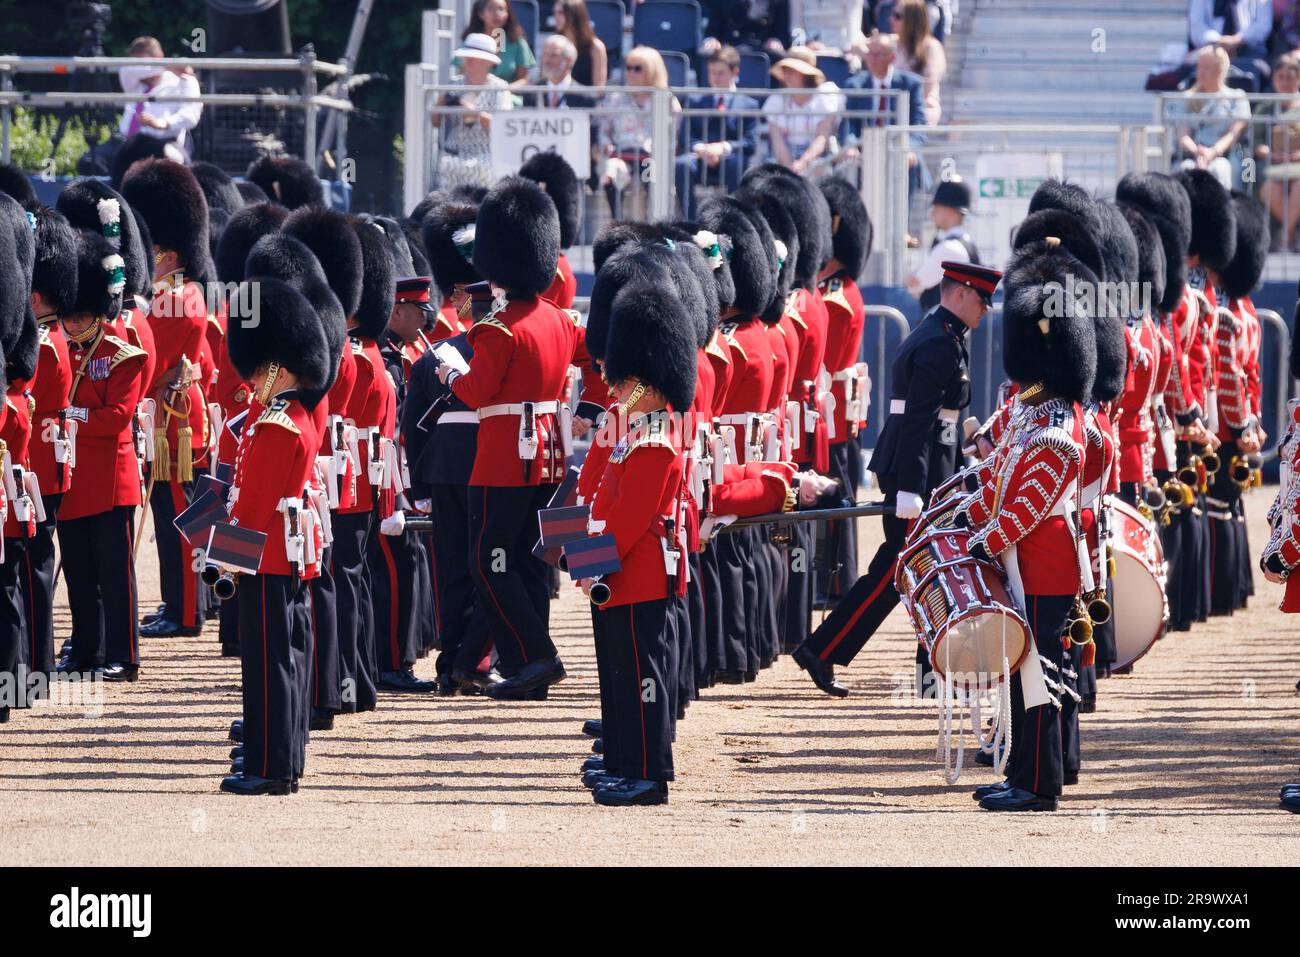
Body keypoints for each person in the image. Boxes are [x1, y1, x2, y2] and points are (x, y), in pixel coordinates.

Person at [791, 261, 1001, 696]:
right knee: (895, 572)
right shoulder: (938, 345)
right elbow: (917, 423)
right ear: (960, 293)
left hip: (931, 473)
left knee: (927, 569)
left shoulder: (944, 338)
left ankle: (927, 671)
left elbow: (941, 420)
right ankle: (825, 650)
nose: (984, 311)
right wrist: (911, 487)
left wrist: (965, 447)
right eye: (981, 300)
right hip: (917, 477)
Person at [965, 218, 1098, 814]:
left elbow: (1026, 509)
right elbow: (999, 482)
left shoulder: (1058, 431)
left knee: (1040, 678)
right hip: (1028, 565)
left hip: (1044, 568)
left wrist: (986, 539)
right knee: (1025, 676)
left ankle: (1038, 785)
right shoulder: (1031, 414)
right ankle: (1024, 772)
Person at [437, 177, 580, 699]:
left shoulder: (497, 328)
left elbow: (476, 393)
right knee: (525, 559)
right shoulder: (559, 320)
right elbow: (592, 361)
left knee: (487, 560)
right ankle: (528, 668)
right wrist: (584, 408)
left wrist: (449, 372)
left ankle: (537, 656)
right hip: (548, 454)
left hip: (502, 458)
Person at [577, 281, 695, 807]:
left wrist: (587, 563)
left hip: (637, 572)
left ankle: (649, 774)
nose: (617, 389)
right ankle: (625, 762)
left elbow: (627, 520)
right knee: (620, 677)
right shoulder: (634, 433)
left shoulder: (655, 442)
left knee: (642, 678)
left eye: (626, 381)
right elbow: (602, 498)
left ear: (649, 382)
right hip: (617, 571)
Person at [217, 278, 330, 797]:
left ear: (279, 369)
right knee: (281, 658)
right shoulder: (289, 416)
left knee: (266, 666)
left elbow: (255, 508)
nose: (253, 379)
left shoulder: (279, 423)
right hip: (283, 553)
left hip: (266, 556)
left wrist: (224, 559)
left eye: (260, 369)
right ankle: (281, 758)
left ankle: (270, 767)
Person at [119, 159, 215, 640]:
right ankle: (179, 604)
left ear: (169, 254)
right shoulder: (174, 294)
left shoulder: (174, 298)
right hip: (171, 413)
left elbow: (151, 363)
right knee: (175, 512)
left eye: (152, 251)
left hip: (172, 420)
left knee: (180, 515)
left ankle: (186, 611)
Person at [55, 229, 148, 683]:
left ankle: (124, 656)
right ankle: (85, 651)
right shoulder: (63, 351)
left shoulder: (123, 356)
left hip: (111, 481)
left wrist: (70, 412)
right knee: (78, 573)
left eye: (78, 317)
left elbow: (115, 418)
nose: (70, 324)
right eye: (67, 316)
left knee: (115, 577)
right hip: (73, 478)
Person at [676, 45, 760, 219]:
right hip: (700, 157)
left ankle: (733, 219)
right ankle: (691, 221)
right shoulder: (695, 101)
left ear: (734, 72)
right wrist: (703, 149)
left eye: (720, 72)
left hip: (731, 159)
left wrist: (722, 148)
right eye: (711, 72)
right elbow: (686, 137)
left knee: (736, 164)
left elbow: (750, 142)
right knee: (680, 164)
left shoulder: (749, 104)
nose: (715, 78)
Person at [598, 47, 681, 219]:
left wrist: (658, 149)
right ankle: (617, 223)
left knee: (653, 174)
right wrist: (606, 145)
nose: (631, 73)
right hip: (622, 155)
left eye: (637, 68)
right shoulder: (616, 98)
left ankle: (655, 227)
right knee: (611, 173)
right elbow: (604, 131)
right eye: (628, 67)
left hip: (650, 157)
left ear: (651, 71)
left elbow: (672, 138)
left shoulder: (666, 101)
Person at [440, 34, 515, 190]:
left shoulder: (499, 88)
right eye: (467, 57)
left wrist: (475, 113)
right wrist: (444, 100)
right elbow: (435, 121)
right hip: (453, 154)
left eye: (475, 58)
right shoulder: (454, 84)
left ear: (488, 62)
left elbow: (503, 125)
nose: (469, 61)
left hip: (485, 156)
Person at [1173, 46, 1251, 191]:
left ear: (1220, 70)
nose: (1200, 72)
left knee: (1220, 170)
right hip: (1192, 155)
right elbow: (1182, 133)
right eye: (1199, 66)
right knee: (1186, 171)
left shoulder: (1237, 97)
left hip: (1225, 155)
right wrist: (1198, 153)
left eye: (1206, 67)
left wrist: (1212, 153)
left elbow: (1234, 133)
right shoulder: (1187, 98)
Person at [116, 37, 202, 160]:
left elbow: (190, 116)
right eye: (135, 62)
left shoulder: (185, 81)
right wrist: (167, 65)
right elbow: (127, 70)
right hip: (125, 142)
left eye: (141, 61)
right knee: (89, 162)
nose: (139, 67)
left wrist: (162, 123)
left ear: (158, 56)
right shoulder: (133, 81)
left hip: (163, 144)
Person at [906, 177, 980, 311]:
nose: (932, 214)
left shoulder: (949, 248)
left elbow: (915, 283)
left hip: (944, 326)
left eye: (936, 208)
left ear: (949, 211)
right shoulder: (968, 243)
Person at [764, 49, 839, 173]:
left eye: (792, 71)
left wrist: (802, 163)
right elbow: (777, 138)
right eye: (785, 71)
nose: (787, 76)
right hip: (783, 159)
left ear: (806, 75)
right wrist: (789, 167)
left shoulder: (823, 98)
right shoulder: (777, 99)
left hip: (815, 159)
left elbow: (821, 139)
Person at [1255, 53, 1300, 250]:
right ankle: (1290, 235)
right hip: (1272, 166)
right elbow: (1255, 142)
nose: (1285, 82)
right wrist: (1273, 154)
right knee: (1269, 187)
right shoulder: (1266, 107)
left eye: (1289, 77)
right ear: (1273, 78)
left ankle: (1285, 236)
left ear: (1298, 79)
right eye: (1280, 77)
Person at [890, 0, 946, 125]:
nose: (891, 19)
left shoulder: (932, 47)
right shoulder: (892, 44)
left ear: (912, 20)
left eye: (897, 16)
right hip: (894, 104)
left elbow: (928, 86)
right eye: (892, 14)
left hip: (922, 105)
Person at [461, 0, 537, 85]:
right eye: (491, 9)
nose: (496, 13)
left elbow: (524, 78)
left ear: (508, 14)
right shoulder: (471, 41)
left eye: (501, 9)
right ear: (481, 13)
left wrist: (503, 91)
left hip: (510, 95)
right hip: (473, 94)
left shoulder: (518, 42)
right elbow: (462, 75)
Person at [1188, 0, 1273, 64]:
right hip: (1211, 47)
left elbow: (1263, 25)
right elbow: (1196, 25)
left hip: (1248, 49)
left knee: (1258, 67)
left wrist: (1238, 40)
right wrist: (1219, 41)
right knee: (1190, 64)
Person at [552, 0, 608, 88]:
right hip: (557, 99)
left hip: (585, 100)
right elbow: (545, 82)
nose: (556, 17)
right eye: (554, 13)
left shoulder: (595, 47)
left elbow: (598, 90)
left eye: (560, 13)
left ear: (574, 15)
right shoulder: (553, 45)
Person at [532, 34, 596, 109]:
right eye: (545, 55)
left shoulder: (585, 97)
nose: (547, 61)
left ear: (568, 60)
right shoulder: (532, 93)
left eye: (553, 55)